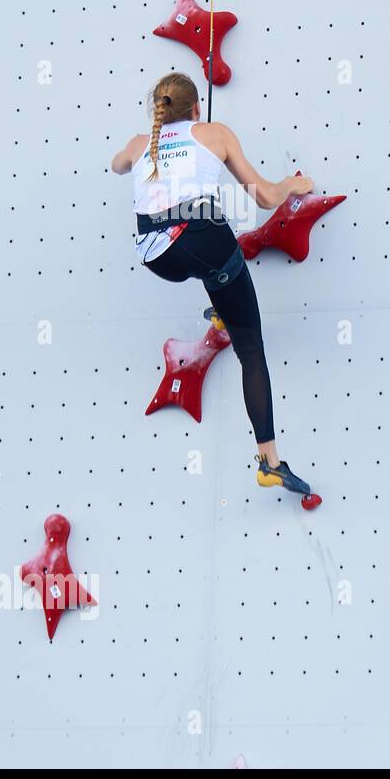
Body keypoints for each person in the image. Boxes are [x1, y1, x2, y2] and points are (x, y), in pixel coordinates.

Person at [110, 72, 314, 496]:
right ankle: (270, 462)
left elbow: (117, 164)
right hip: (201, 240)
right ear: (196, 109)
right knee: (250, 347)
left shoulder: (138, 143)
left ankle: (221, 304)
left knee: (206, 258)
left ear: (157, 111)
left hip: (156, 255)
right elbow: (263, 198)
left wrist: (141, 154)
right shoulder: (214, 134)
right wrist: (293, 185)